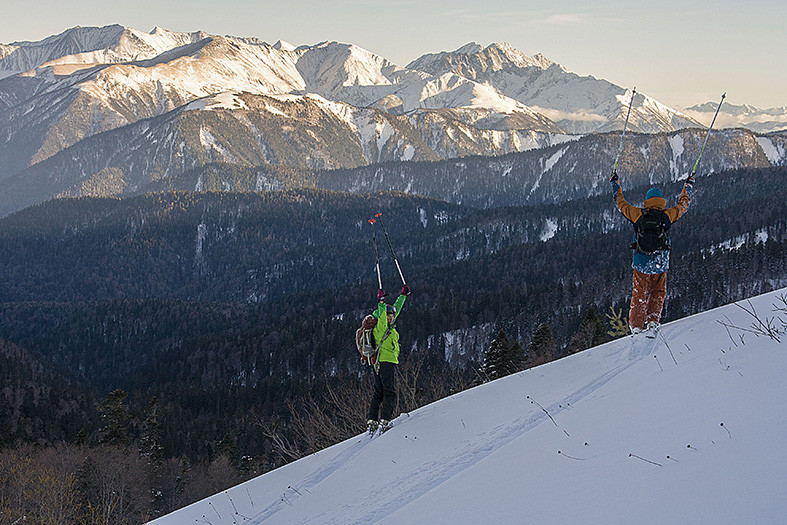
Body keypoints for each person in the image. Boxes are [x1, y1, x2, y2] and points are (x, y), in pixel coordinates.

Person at [610, 172, 693, 333]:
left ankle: (635, 326)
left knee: (639, 292)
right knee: (658, 291)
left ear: (647, 200)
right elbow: (683, 205)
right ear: (661, 201)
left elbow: (620, 203)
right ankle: (653, 321)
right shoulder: (667, 215)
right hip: (661, 262)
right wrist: (688, 186)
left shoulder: (638, 214)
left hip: (641, 261)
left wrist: (615, 184)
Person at [366, 284, 409, 434]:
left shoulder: (387, 326)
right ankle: (385, 420)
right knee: (390, 392)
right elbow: (384, 315)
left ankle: (372, 420)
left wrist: (403, 296)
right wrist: (381, 302)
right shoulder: (381, 327)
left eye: (392, 316)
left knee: (379, 392)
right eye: (389, 316)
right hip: (386, 362)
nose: (391, 318)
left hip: (379, 362)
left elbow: (396, 309)